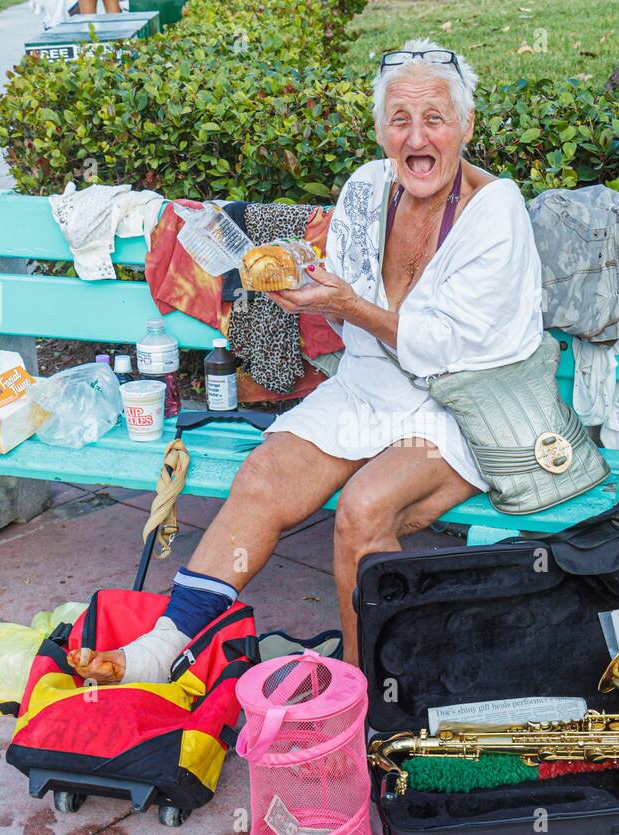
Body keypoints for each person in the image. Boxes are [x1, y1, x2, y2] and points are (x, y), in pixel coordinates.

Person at [69, 38, 544, 684]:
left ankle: (366, 691)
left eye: (434, 117)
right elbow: (350, 315)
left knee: (364, 509)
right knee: (263, 475)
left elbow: (450, 350)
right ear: (380, 129)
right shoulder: (366, 190)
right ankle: (166, 645)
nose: (416, 137)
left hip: (467, 403)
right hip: (372, 385)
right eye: (398, 119)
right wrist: (314, 297)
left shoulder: (497, 212)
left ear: (464, 125)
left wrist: (348, 302)